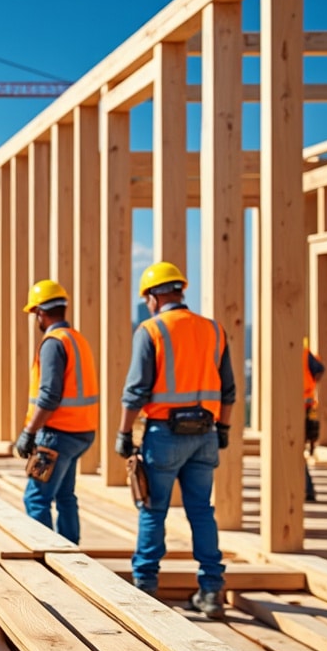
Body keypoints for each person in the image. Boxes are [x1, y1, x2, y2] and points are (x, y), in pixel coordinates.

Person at [116, 262, 235, 619]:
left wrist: (124, 433)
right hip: (205, 433)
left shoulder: (151, 330)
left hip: (165, 435)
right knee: (202, 511)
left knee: (153, 509)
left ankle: (146, 587)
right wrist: (224, 428)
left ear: (153, 296)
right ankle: (212, 591)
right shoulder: (214, 330)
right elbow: (228, 390)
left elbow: (136, 392)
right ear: (180, 290)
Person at [11, 281, 97, 543]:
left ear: (41, 312)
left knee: (36, 498)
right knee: (65, 495)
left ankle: (46, 558)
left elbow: (49, 396)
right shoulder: (77, 339)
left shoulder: (53, 343)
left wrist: (29, 431)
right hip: (81, 432)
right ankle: (72, 554)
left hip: (57, 435)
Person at [303, 339, 325, 503]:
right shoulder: (305, 353)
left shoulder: (301, 353)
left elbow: (319, 370)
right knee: (297, 452)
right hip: (305, 407)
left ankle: (306, 489)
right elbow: (319, 370)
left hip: (298, 409)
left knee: (295, 453)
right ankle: (306, 489)